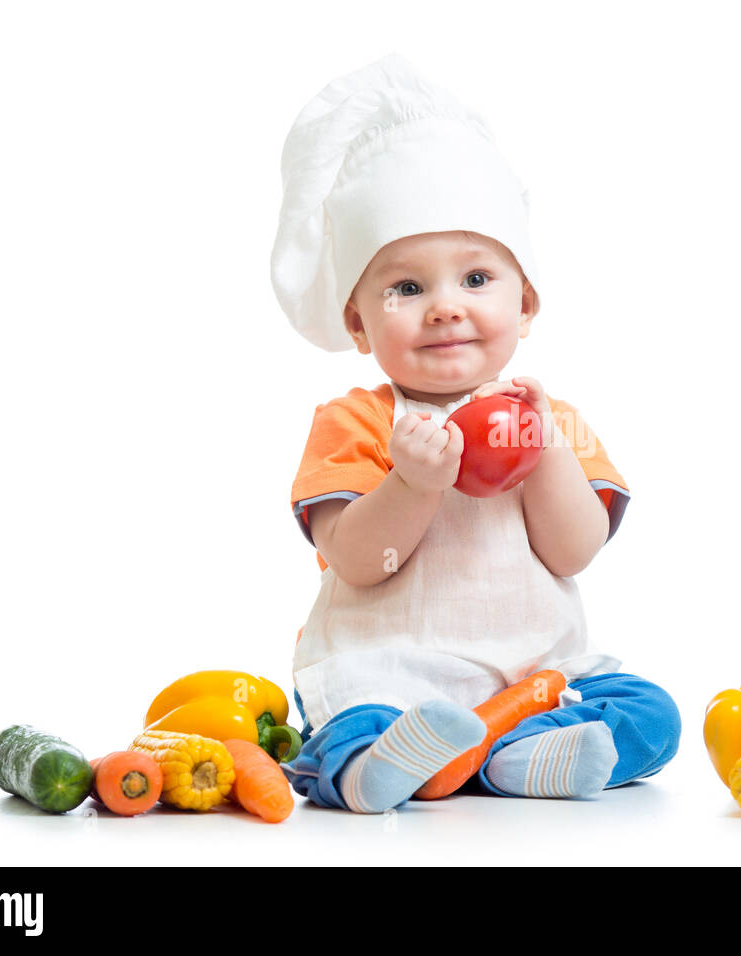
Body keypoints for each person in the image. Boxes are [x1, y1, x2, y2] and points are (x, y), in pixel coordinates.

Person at [269, 53, 680, 813]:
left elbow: (573, 551)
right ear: (358, 322)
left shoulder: (550, 419)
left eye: (477, 279)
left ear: (526, 305)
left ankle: (517, 754)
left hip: (530, 678)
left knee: (650, 714)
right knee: (355, 718)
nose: (446, 306)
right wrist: (412, 484)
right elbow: (357, 561)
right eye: (406, 287)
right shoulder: (356, 420)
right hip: (388, 671)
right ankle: (369, 768)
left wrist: (545, 451)